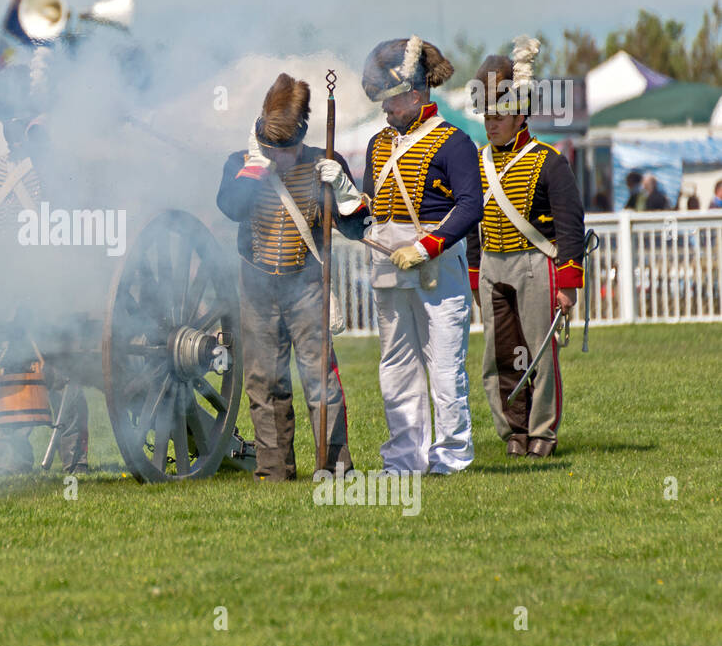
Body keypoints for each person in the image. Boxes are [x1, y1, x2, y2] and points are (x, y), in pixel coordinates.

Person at [216, 73, 369, 481]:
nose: (280, 158)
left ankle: (335, 465)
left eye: (285, 150)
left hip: (306, 288)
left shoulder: (326, 162)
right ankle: (273, 468)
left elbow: (357, 230)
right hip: (257, 287)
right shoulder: (241, 164)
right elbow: (229, 207)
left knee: (321, 381)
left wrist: (346, 193)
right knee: (264, 383)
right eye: (272, 148)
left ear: (301, 137)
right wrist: (253, 168)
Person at [360, 36, 482, 474]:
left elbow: (471, 205)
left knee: (445, 368)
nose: (385, 109)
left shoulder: (453, 142)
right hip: (388, 263)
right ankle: (405, 458)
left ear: (415, 94)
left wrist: (426, 246)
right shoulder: (378, 145)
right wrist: (342, 198)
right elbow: (373, 207)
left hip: (436, 264)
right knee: (396, 365)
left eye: (390, 101)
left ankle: (450, 457)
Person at [465, 37, 585, 459]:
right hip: (492, 266)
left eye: (499, 115)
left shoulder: (548, 160)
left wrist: (568, 282)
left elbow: (570, 225)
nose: (490, 123)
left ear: (520, 114)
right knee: (499, 355)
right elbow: (472, 223)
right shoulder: (477, 162)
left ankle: (542, 432)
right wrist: (475, 272)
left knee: (539, 353)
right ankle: (513, 430)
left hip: (537, 264)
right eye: (486, 115)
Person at [0, 62, 62, 476]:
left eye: (18, 116)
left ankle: (72, 456)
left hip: (50, 282)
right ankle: (13, 450)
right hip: (2, 283)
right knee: (5, 363)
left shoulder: (57, 165)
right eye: (4, 117)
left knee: (61, 367)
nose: (11, 126)